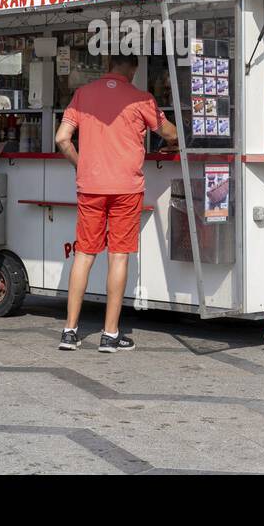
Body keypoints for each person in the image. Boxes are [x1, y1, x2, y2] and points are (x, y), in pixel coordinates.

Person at [54, 54, 178, 353]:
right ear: (133, 68)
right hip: (125, 187)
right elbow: (170, 133)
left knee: (84, 254)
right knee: (118, 257)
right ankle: (110, 335)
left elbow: (62, 139)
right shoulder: (140, 99)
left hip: (91, 186)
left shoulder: (83, 94)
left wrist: (80, 164)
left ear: (108, 63)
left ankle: (70, 331)